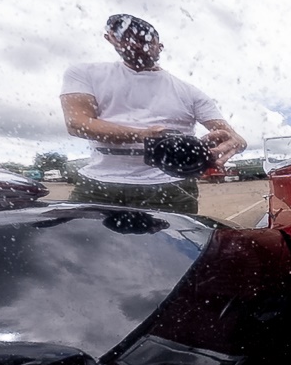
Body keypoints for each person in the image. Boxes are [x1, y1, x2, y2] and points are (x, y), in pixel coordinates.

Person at [60, 14, 243, 216]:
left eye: (144, 39)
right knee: (80, 245)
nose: (135, 44)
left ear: (160, 46)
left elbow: (236, 139)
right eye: (125, 36)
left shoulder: (189, 92)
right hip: (98, 185)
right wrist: (142, 135)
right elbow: (77, 124)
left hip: (171, 187)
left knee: (176, 247)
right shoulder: (85, 73)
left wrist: (229, 144)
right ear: (110, 38)